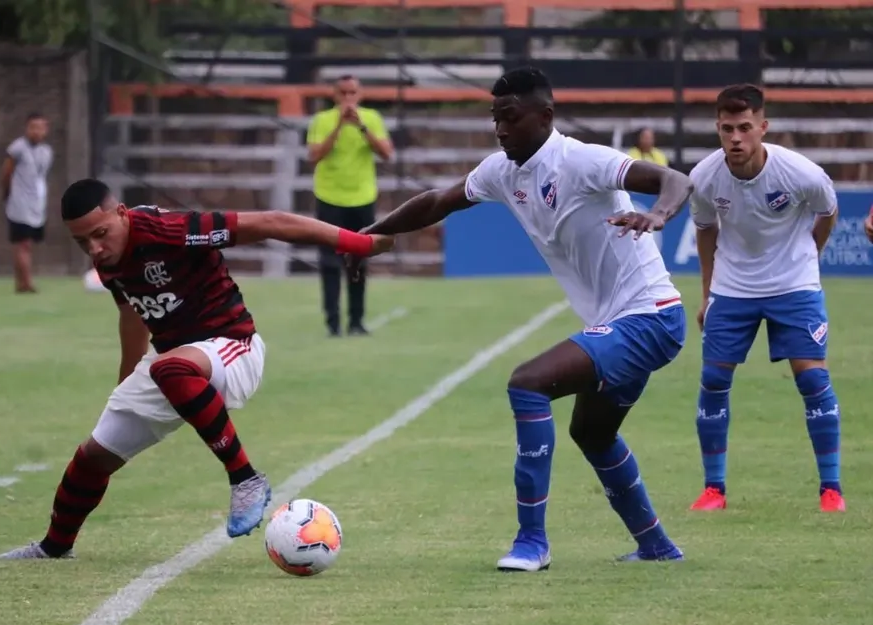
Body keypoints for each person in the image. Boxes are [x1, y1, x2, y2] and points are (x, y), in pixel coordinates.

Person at [349, 67, 694, 571]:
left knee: (528, 384)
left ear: (544, 116)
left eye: (510, 117)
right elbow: (438, 202)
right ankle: (658, 547)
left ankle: (532, 543)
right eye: (495, 118)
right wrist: (367, 238)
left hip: (651, 318)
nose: (500, 129)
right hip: (625, 324)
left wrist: (660, 214)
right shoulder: (501, 171)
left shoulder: (581, 160)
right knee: (593, 434)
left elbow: (675, 179)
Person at [0, 179, 393, 559]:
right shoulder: (109, 262)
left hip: (232, 346)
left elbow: (272, 222)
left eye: (100, 233)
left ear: (121, 213)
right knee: (94, 457)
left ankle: (245, 480)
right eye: (82, 241)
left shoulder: (168, 230)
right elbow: (132, 316)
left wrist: (358, 243)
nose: (94, 248)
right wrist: (125, 383)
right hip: (173, 361)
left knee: (169, 369)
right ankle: (53, 547)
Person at [687, 84, 845, 513]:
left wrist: (809, 257)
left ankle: (831, 490)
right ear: (717, 129)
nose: (735, 138)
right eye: (726, 129)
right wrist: (707, 295)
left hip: (794, 285)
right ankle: (713, 490)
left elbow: (827, 212)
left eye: (744, 128)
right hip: (733, 289)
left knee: (812, 381)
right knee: (714, 382)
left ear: (762, 127)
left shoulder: (801, 174)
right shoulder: (704, 178)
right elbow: (705, 231)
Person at [306, 74, 394, 337]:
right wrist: (338, 127)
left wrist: (362, 128)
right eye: (342, 93)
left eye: (352, 93)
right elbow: (314, 156)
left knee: (359, 260)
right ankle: (332, 323)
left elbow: (387, 153)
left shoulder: (372, 118)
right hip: (329, 197)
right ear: (334, 95)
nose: (347, 99)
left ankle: (357, 321)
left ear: (360, 94)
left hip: (362, 198)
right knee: (329, 263)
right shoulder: (322, 120)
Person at [1, 112, 53, 294]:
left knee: (26, 244)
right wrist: (7, 194)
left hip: (37, 204)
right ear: (27, 128)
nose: (36, 132)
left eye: (40, 128)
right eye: (33, 127)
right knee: (23, 244)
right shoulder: (17, 148)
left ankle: (20, 283)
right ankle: (27, 282)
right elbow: (6, 173)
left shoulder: (47, 152)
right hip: (19, 204)